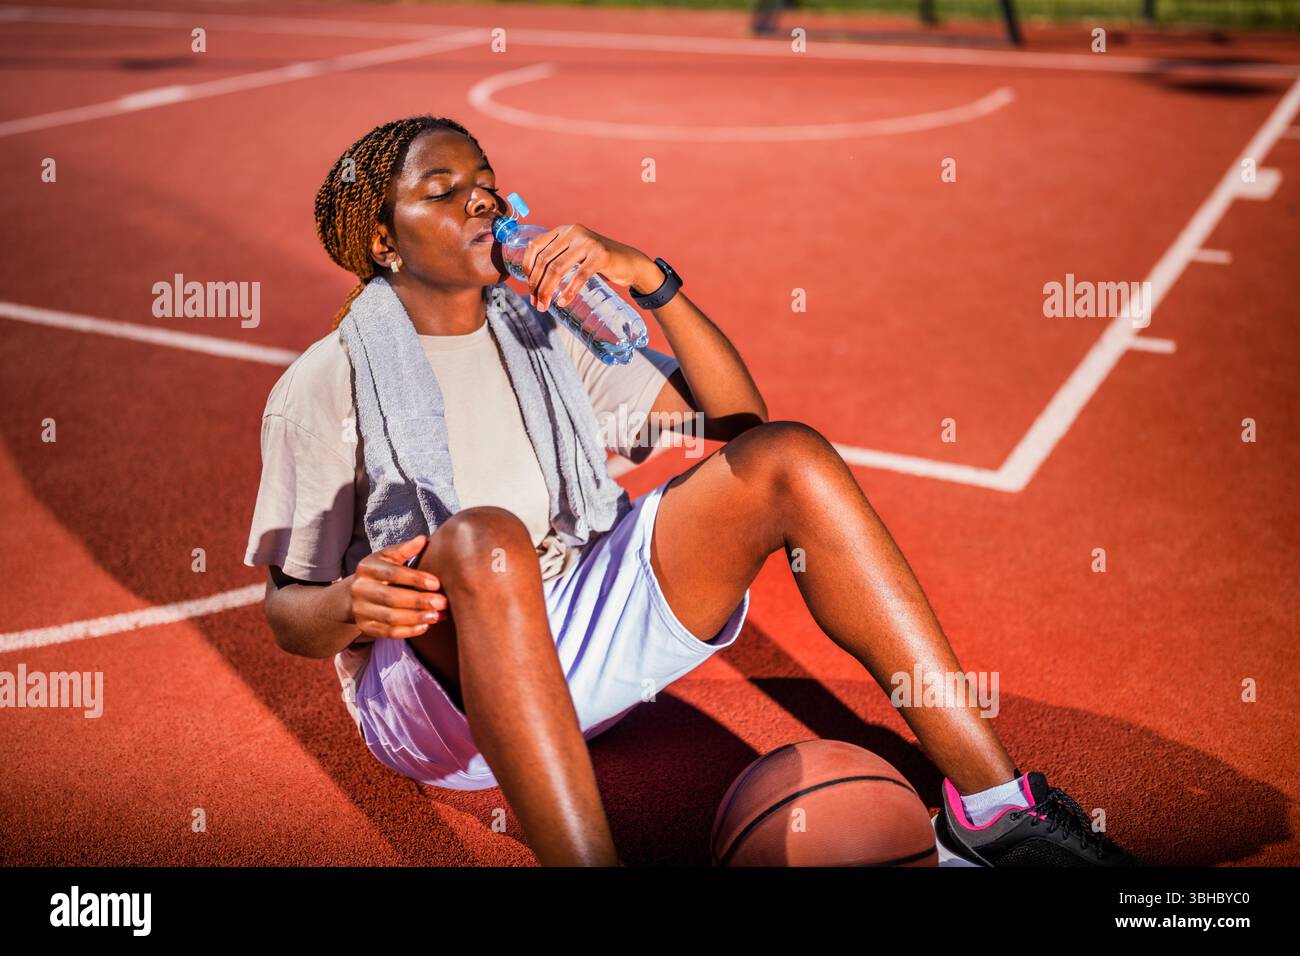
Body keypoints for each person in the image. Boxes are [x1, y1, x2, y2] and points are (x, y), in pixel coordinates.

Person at [244, 114, 1139, 868]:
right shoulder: (326, 386)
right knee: (485, 539)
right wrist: (352, 603)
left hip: (570, 632)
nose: (480, 198)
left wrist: (652, 281)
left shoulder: (544, 335)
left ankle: (994, 814)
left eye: (486, 180)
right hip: (445, 706)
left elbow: (738, 426)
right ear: (380, 241)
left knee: (790, 457)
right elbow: (288, 611)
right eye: (443, 191)